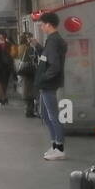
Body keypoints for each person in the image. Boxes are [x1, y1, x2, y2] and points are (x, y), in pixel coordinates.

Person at [34, 12, 68, 159]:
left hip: (48, 84)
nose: (41, 27)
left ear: (48, 24)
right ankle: (54, 145)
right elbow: (48, 58)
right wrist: (38, 47)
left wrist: (43, 78)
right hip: (47, 84)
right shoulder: (52, 40)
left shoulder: (54, 41)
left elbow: (54, 66)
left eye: (42, 25)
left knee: (53, 116)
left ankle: (59, 148)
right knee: (47, 116)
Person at [16, 31, 40, 117]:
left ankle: (28, 109)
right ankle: (30, 110)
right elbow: (32, 58)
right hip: (30, 70)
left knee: (26, 89)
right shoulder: (29, 48)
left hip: (24, 70)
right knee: (30, 90)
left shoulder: (20, 47)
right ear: (28, 39)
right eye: (31, 37)